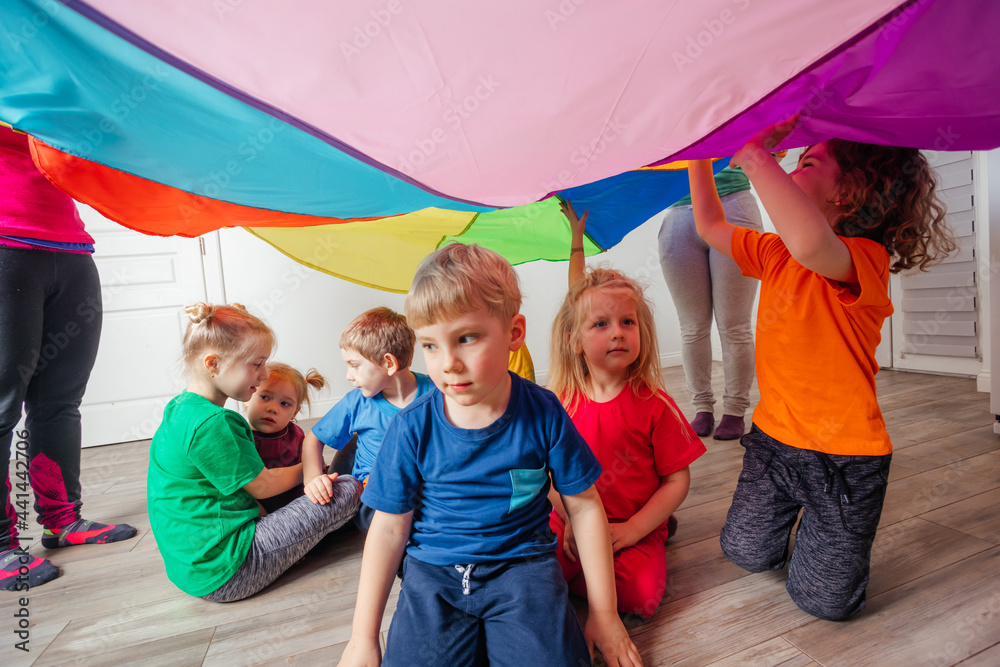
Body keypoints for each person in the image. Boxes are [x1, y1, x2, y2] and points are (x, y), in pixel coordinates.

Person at [688, 115, 955, 620]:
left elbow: (812, 245)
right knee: (744, 551)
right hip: (773, 442)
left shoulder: (864, 259)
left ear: (848, 195)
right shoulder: (772, 253)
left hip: (845, 461)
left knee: (825, 603)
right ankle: (802, 523)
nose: (788, 164)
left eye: (806, 160)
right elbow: (708, 226)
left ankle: (828, 530)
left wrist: (752, 154)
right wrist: (701, 154)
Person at [338, 244, 642, 667]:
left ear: (514, 333)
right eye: (430, 345)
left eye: (466, 338)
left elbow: (585, 507)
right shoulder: (411, 426)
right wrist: (362, 638)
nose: (448, 364)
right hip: (434, 575)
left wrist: (605, 616)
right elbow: (389, 530)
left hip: (524, 567)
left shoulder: (544, 411)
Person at [551, 204, 706, 617]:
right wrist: (568, 519)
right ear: (574, 341)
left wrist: (637, 528)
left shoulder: (655, 404)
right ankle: (576, 572)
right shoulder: (561, 400)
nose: (617, 332)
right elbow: (545, 475)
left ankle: (600, 566)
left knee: (641, 597)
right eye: (601, 325)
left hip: (631, 524)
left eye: (627, 322)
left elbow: (676, 479)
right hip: (568, 518)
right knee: (535, 569)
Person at [147, 303, 360, 602]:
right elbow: (263, 485)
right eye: (256, 364)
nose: (262, 376)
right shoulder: (213, 423)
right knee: (348, 488)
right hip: (230, 568)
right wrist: (311, 466)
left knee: (347, 454)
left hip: (196, 567)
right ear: (213, 364)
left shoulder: (181, 408)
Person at [0, 125, 136, 591]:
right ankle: (1, 545)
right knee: (2, 405)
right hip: (5, 243)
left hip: (70, 246)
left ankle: (62, 521)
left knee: (60, 400)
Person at [302, 307, 434, 533]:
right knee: (397, 529)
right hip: (376, 496)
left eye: (354, 365)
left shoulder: (437, 392)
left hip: (426, 488)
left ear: (389, 363)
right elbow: (313, 439)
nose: (348, 375)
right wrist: (313, 478)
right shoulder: (356, 402)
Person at [657, 166, 764, 440]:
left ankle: (735, 411)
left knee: (735, 325)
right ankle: (702, 408)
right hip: (678, 211)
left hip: (732, 203)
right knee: (692, 327)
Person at [246, 362, 326, 513]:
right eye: (264, 397)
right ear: (247, 398)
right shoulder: (242, 438)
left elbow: (315, 467)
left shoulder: (296, 434)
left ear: (295, 413)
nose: (273, 408)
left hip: (303, 500)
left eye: (284, 404)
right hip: (268, 513)